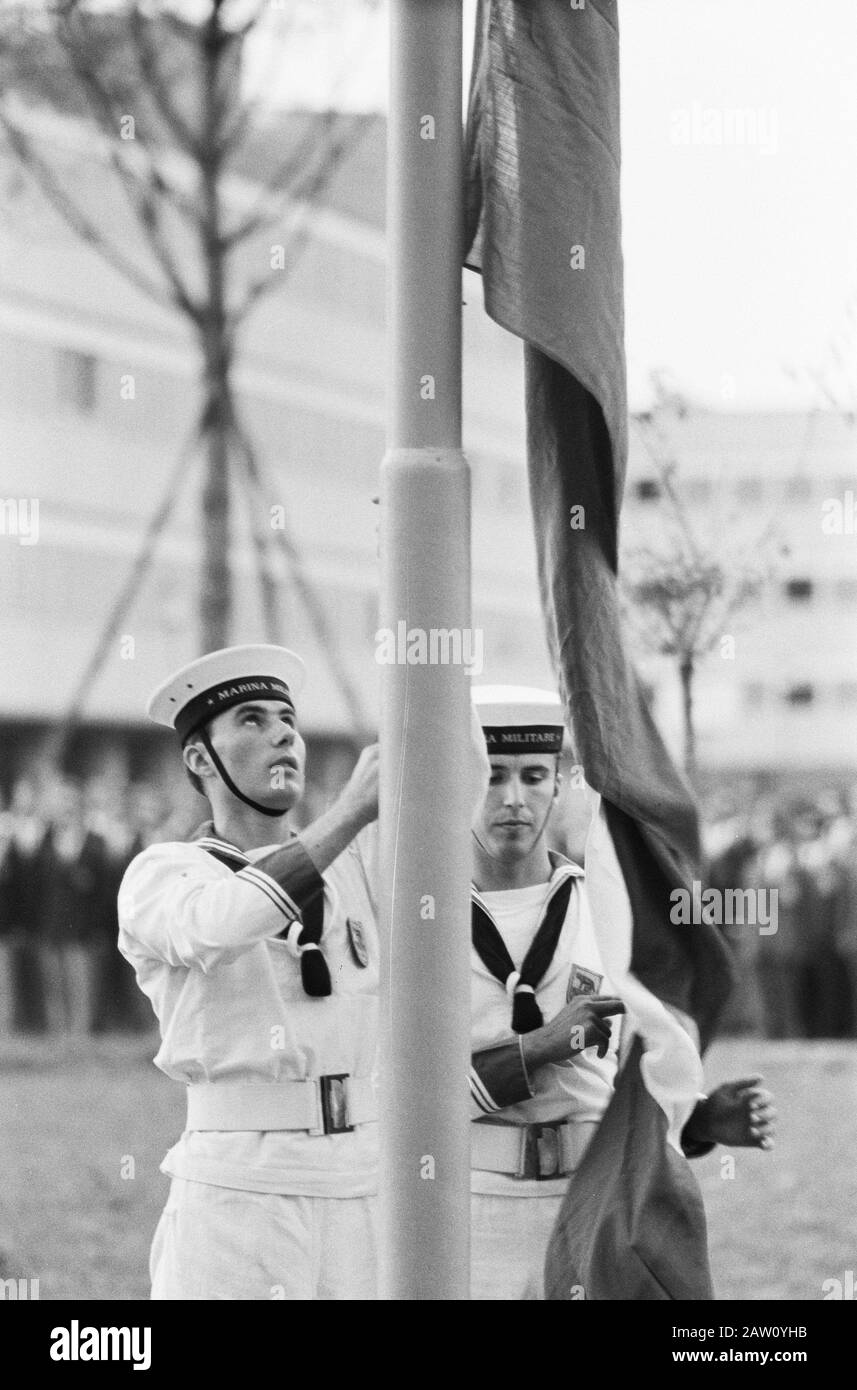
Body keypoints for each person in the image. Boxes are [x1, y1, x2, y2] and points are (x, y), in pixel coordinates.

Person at [466, 686, 777, 1300]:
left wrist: (695, 1116)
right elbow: (398, 1095)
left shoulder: (608, 912)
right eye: (492, 776)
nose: (513, 799)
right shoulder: (416, 921)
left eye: (533, 777)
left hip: (590, 1204)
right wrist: (536, 1051)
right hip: (469, 1207)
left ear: (559, 785)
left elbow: (626, 1078)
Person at [118, 645, 380, 1300]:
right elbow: (218, 925)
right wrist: (348, 813)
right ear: (201, 760)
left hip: (357, 1181)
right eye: (253, 720)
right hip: (239, 1187)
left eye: (287, 719)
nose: (282, 733)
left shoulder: (354, 871)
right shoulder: (165, 872)